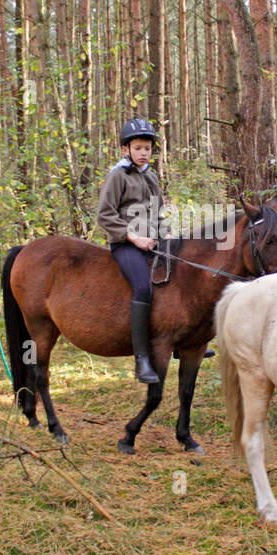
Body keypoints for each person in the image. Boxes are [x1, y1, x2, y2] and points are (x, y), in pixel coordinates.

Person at [96, 118, 172, 384]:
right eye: (138, 148)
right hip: (126, 244)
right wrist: (133, 237)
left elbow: (159, 213)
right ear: (125, 150)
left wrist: (167, 235)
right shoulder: (118, 176)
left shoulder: (150, 177)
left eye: (147, 148)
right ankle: (141, 359)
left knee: (178, 277)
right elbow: (104, 215)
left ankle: (183, 338)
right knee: (142, 288)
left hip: (153, 242)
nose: (143, 153)